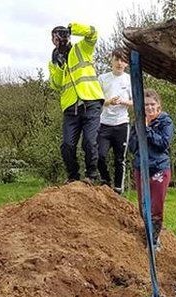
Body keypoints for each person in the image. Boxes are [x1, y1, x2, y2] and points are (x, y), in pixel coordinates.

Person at [47, 23, 104, 184]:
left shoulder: (82, 48)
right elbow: (56, 84)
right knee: (67, 145)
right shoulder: (53, 61)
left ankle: (92, 175)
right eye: (54, 37)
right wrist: (59, 65)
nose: (58, 39)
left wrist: (73, 28)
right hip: (70, 107)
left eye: (61, 35)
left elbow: (93, 33)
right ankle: (73, 177)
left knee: (89, 141)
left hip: (90, 101)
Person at [128, 89, 175, 248]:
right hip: (141, 167)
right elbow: (132, 147)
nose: (149, 108)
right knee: (143, 206)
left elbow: (163, 144)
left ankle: (154, 241)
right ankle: (149, 234)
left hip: (159, 167)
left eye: (152, 104)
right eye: (146, 105)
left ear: (158, 106)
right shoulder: (137, 122)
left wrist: (147, 130)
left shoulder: (165, 122)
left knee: (156, 206)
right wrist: (138, 130)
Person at [97, 48, 133, 193]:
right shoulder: (102, 78)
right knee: (100, 155)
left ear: (126, 63)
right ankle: (105, 181)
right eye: (116, 59)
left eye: (123, 60)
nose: (119, 63)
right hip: (104, 123)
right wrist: (109, 102)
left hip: (122, 123)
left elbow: (135, 102)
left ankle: (118, 189)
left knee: (120, 159)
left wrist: (123, 102)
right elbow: (97, 101)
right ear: (111, 60)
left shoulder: (129, 79)